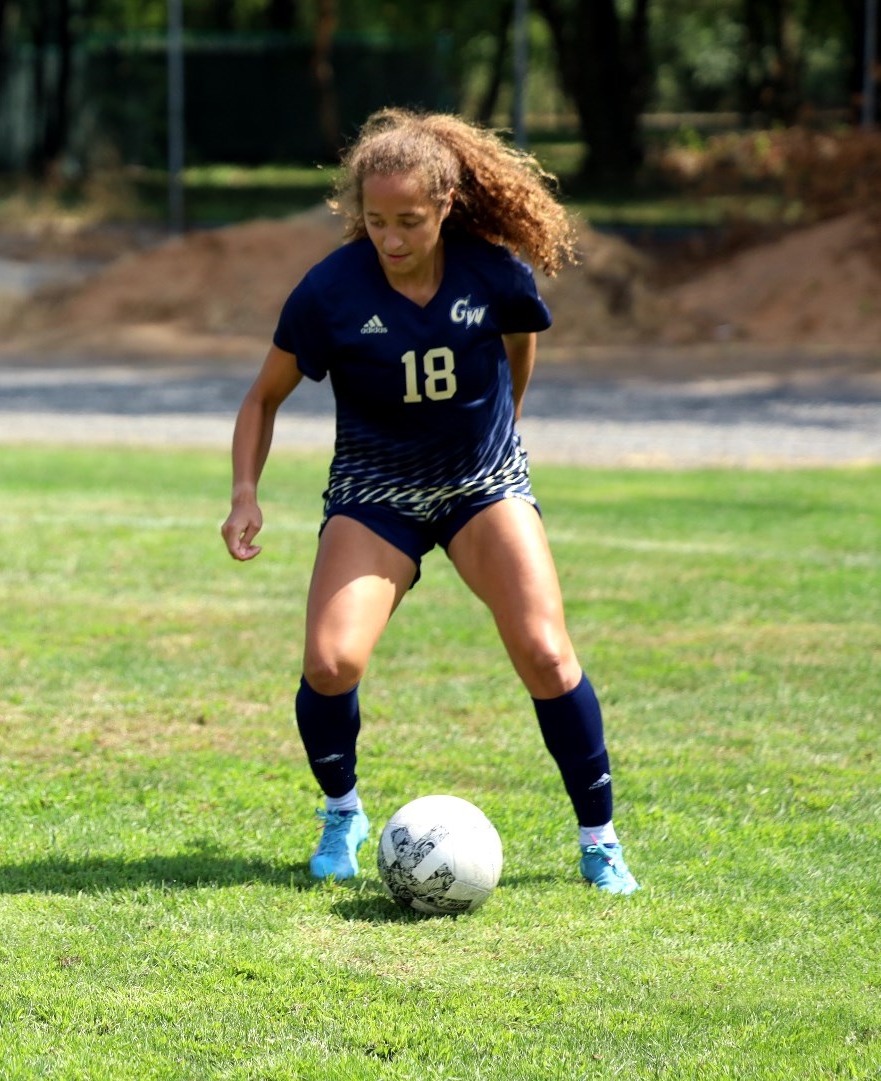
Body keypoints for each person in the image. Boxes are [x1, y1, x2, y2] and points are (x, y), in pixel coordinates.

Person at [220, 108, 640, 896]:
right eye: (374, 220)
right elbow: (260, 399)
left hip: (481, 487)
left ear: (445, 206)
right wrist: (245, 493)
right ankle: (341, 813)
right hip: (374, 495)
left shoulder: (494, 274)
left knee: (547, 654)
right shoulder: (329, 292)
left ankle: (600, 839)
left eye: (408, 220)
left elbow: (519, 351)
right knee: (330, 660)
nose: (390, 237)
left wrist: (505, 436)